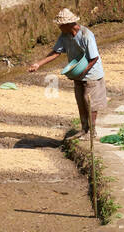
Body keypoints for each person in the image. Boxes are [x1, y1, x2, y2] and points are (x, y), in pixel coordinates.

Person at [27, 8, 107, 138]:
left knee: (89, 101)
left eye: (60, 25)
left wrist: (83, 72)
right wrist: (38, 64)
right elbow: (56, 52)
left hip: (92, 73)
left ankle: (92, 131)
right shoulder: (65, 36)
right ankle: (84, 129)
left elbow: (94, 58)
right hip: (78, 73)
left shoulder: (86, 35)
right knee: (81, 101)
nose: (59, 27)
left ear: (69, 24)